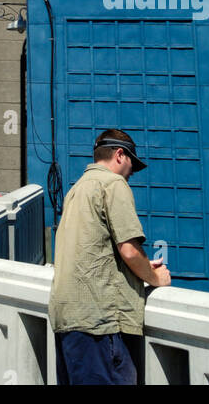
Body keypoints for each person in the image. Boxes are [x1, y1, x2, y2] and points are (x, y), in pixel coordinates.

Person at [49, 128, 172, 386]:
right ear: (119, 155)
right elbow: (128, 249)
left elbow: (94, 251)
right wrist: (155, 277)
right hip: (99, 323)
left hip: (67, 319)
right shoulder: (113, 184)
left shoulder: (76, 190)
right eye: (132, 165)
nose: (131, 173)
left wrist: (135, 268)